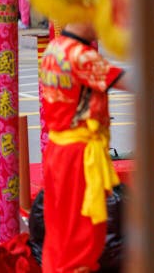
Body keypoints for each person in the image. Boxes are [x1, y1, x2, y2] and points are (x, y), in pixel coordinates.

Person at [39, 23, 127, 272]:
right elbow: (128, 82)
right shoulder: (81, 55)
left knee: (60, 229)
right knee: (83, 232)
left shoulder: (54, 48)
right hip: (79, 155)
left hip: (58, 150)